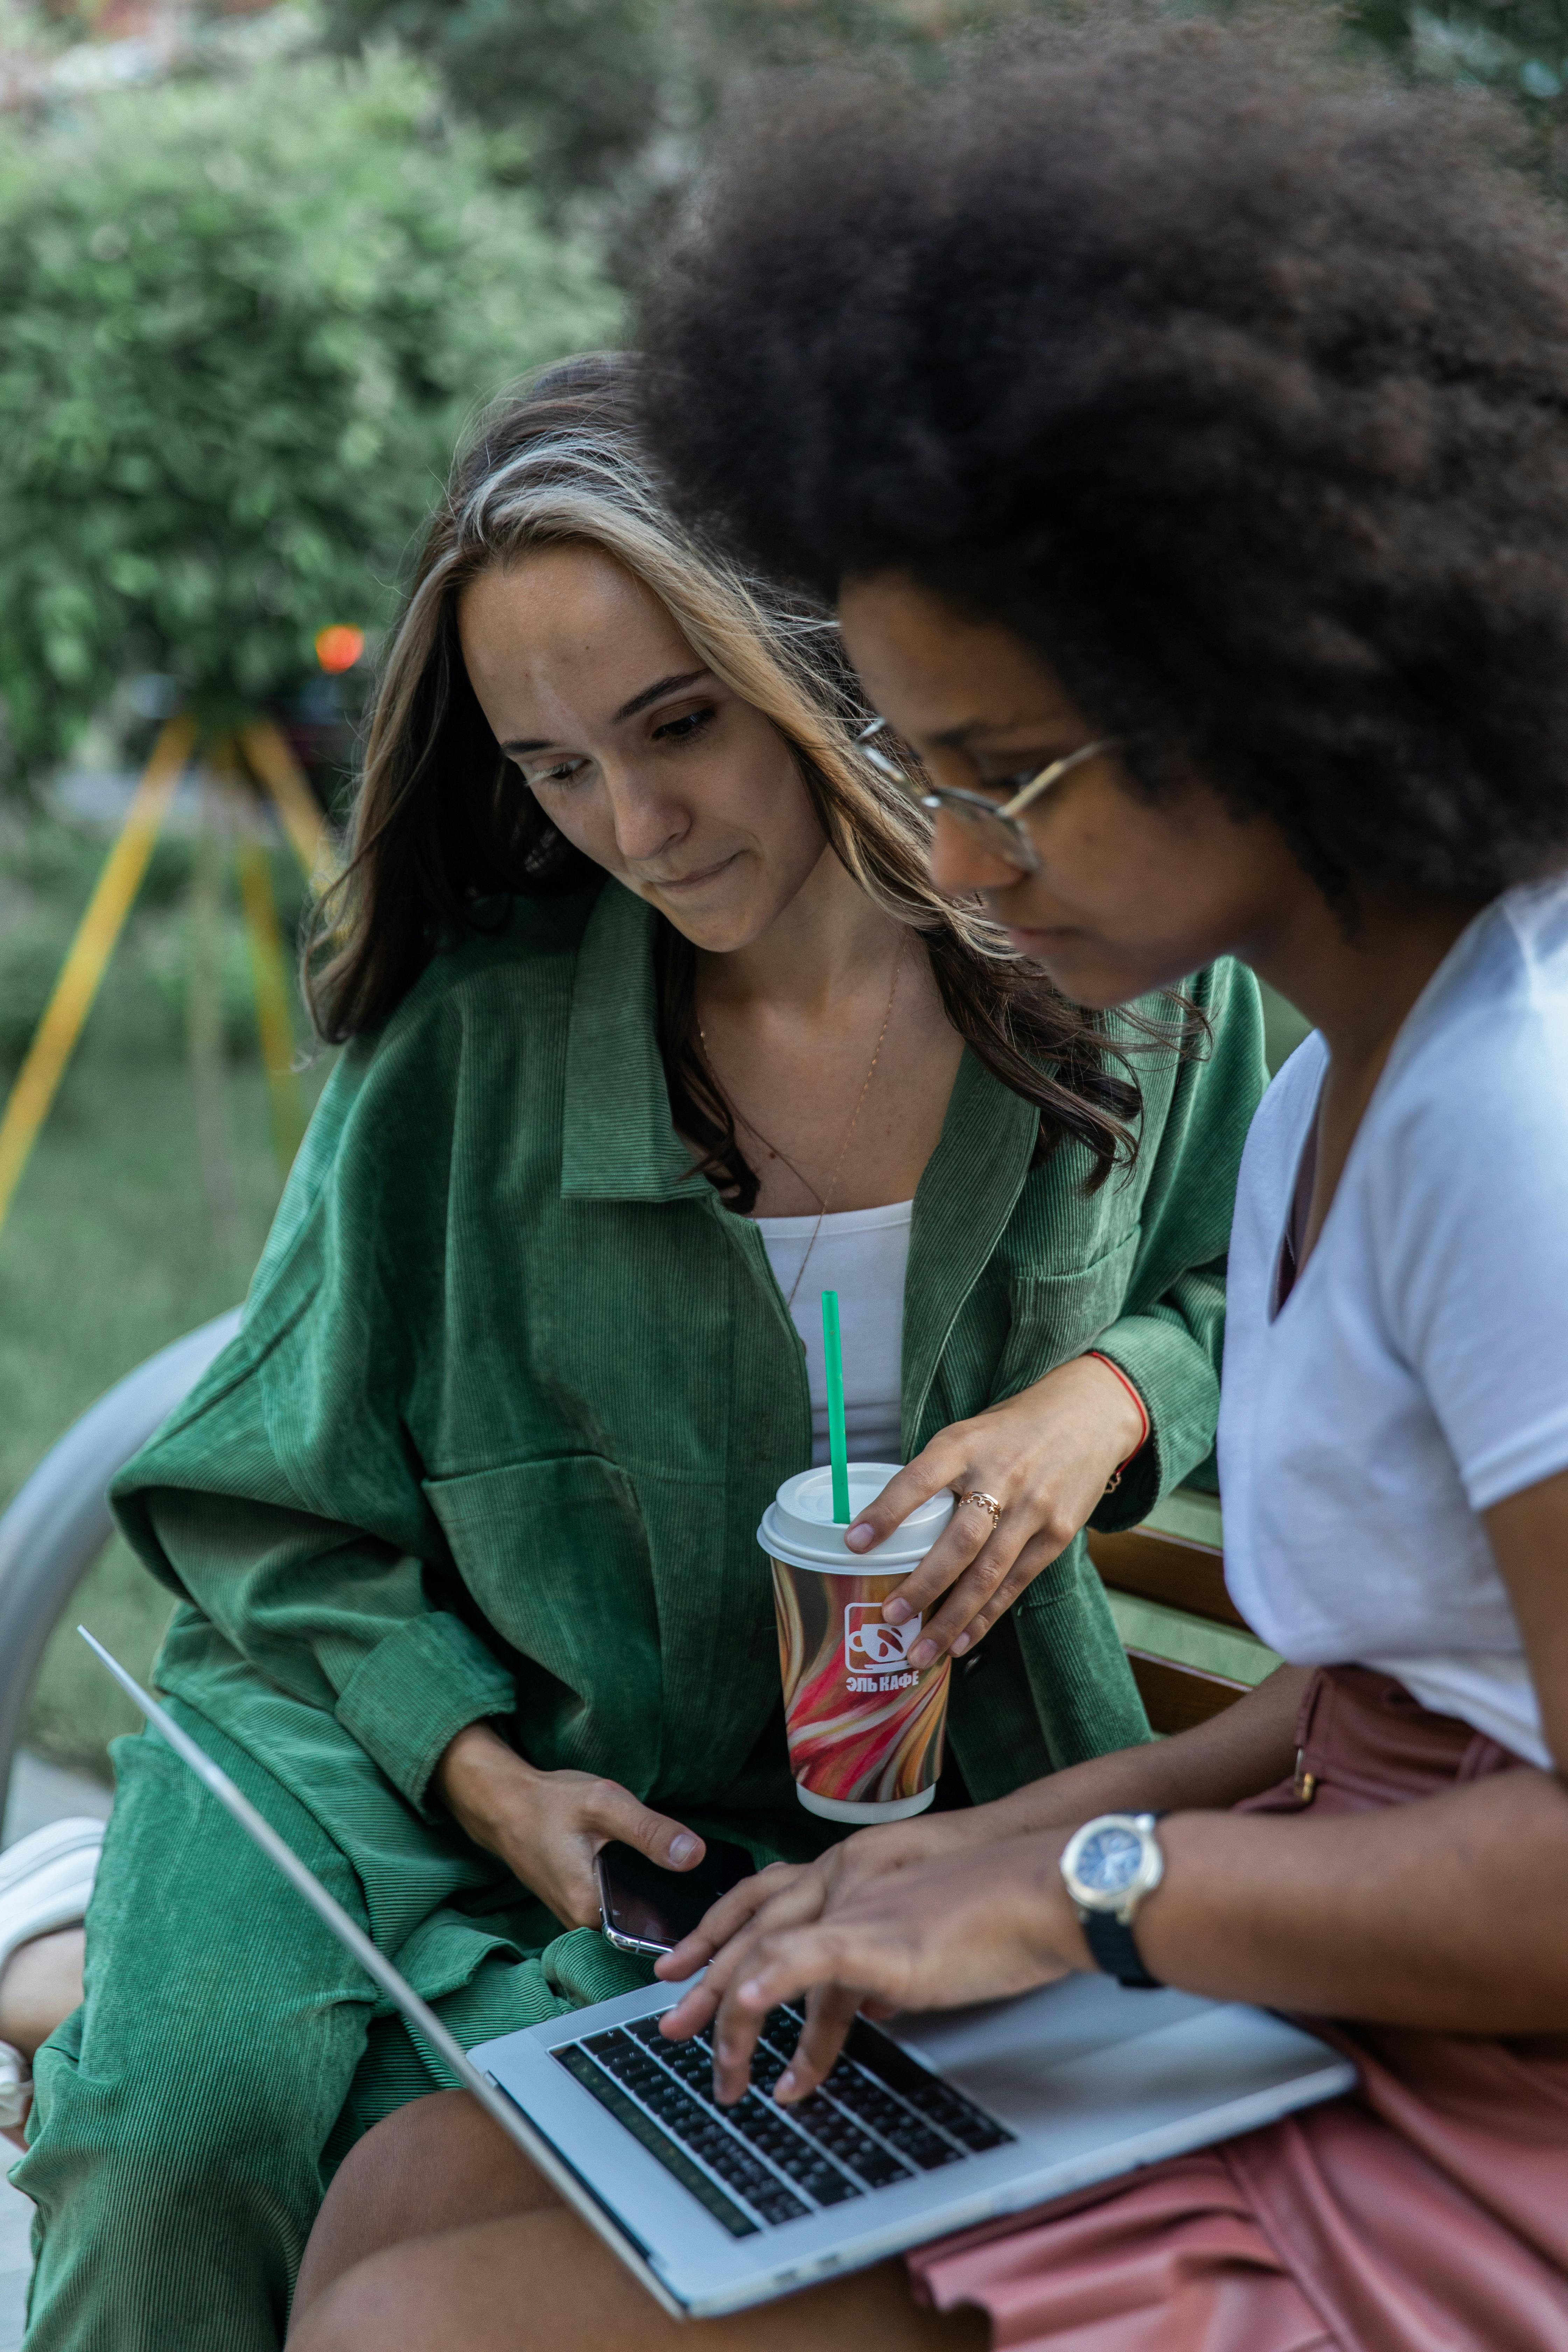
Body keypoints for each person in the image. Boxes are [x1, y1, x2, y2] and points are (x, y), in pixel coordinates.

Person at [284, 27, 1568, 2352]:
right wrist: (978, 1845)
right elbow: (1396, 1711)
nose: (954, 866)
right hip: (1313, 1947)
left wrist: (1082, 1885)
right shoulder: (1335, 1089)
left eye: (1005, 776)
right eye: (920, 767)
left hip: (1477, 2124)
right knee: (403, 2192)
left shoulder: (1515, 1118)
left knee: (422, 2322)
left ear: (1261, 668)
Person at [10, 354, 1261, 2352]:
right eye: (555, 768)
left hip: (807, 1818)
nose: (637, 825)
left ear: (820, 661)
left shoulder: (1110, 981)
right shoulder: (470, 1043)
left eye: (679, 725)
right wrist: (484, 1777)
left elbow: (1260, 1295)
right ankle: (124, 1949)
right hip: (374, 1731)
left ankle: (73, 1941)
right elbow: (271, 1506)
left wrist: (1104, 1402)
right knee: (180, 2140)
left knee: (501, 2136)